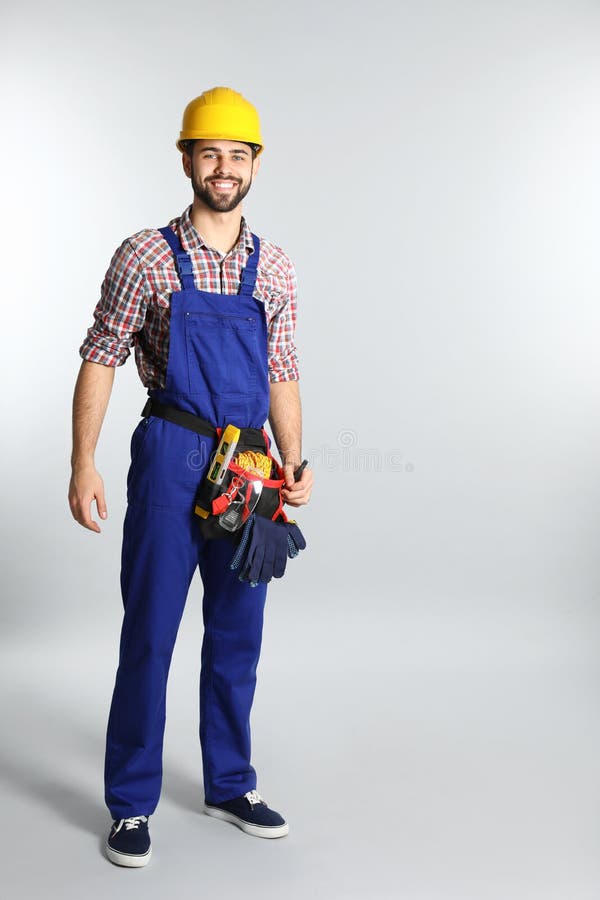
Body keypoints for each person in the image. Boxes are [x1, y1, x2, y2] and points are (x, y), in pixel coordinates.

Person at [68, 86, 313, 868]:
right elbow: (101, 355)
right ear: (186, 159)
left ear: (254, 165)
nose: (224, 167)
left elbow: (282, 370)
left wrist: (294, 462)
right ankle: (131, 802)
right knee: (150, 633)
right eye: (210, 152)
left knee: (239, 632)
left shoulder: (274, 266)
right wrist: (83, 462)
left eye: (237, 154)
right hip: (172, 453)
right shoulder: (145, 254)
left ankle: (230, 782)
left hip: (251, 462)